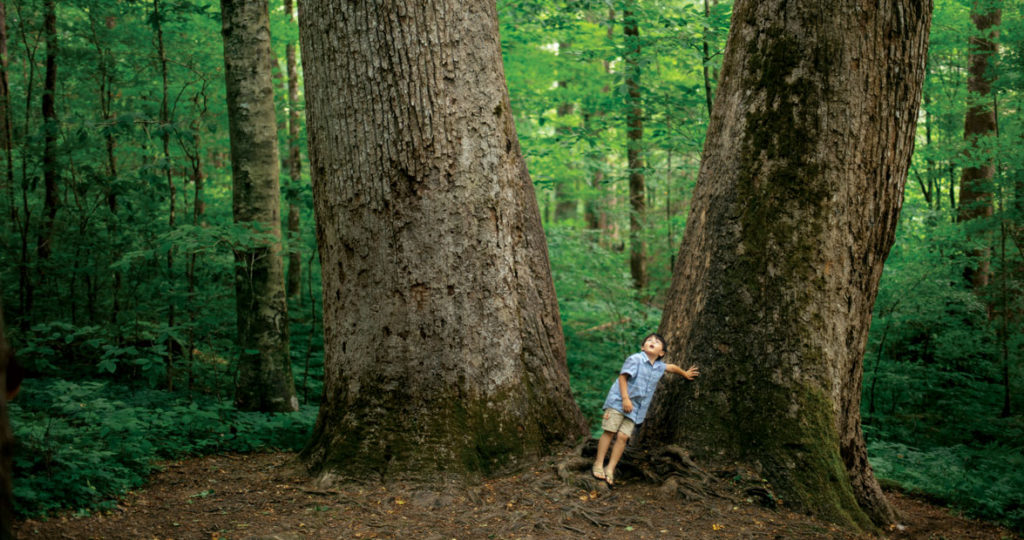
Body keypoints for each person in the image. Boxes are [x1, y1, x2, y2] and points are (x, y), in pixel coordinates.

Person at [592, 333, 699, 487]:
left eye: (656, 342)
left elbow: (672, 367)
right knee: (609, 431)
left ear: (661, 353)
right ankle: (598, 463)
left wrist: (685, 373)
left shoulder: (659, 367)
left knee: (623, 437)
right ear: (643, 347)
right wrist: (625, 399)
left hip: (636, 409)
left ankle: (610, 468)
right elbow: (623, 378)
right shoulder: (635, 359)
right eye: (649, 340)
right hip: (619, 401)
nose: (652, 341)